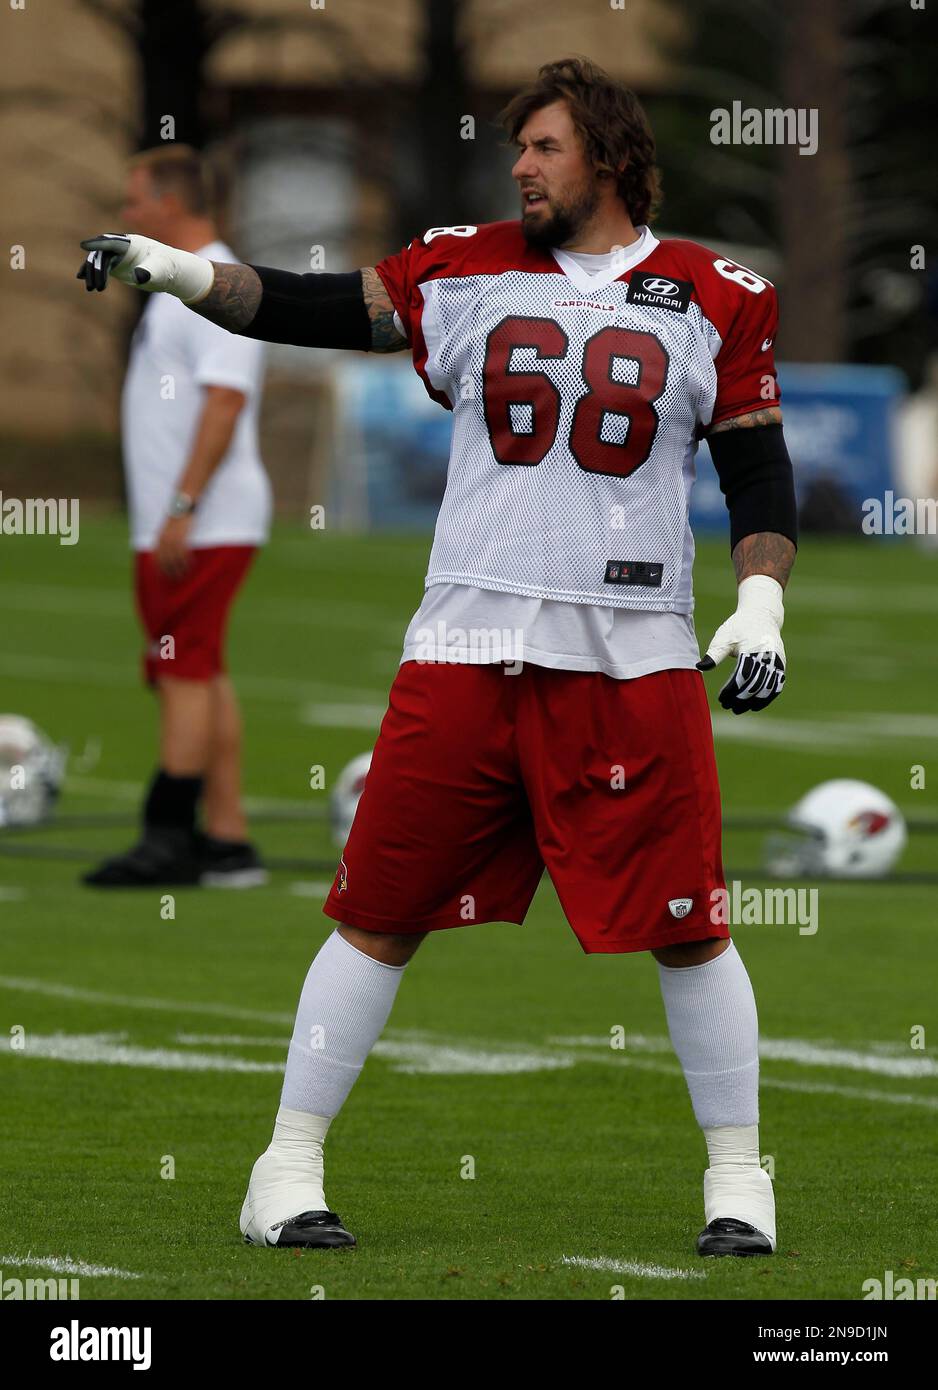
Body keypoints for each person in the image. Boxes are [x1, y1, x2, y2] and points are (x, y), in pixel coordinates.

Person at [78, 57, 797, 1256]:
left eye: (545, 147)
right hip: (468, 642)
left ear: (609, 159)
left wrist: (761, 600)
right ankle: (285, 1164)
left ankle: (737, 1181)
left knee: (687, 921)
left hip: (632, 654)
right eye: (515, 146)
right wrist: (180, 270)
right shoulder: (462, 262)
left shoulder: (718, 290)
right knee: (378, 911)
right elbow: (306, 303)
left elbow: (754, 463)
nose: (518, 164)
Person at [81, 145, 269, 889]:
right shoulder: (184, 282)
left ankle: (167, 835)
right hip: (184, 516)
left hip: (203, 518)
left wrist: (183, 507)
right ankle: (226, 839)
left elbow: (226, 401)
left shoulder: (220, 285)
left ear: (172, 203)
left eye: (135, 202)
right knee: (197, 669)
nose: (126, 215)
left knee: (182, 666)